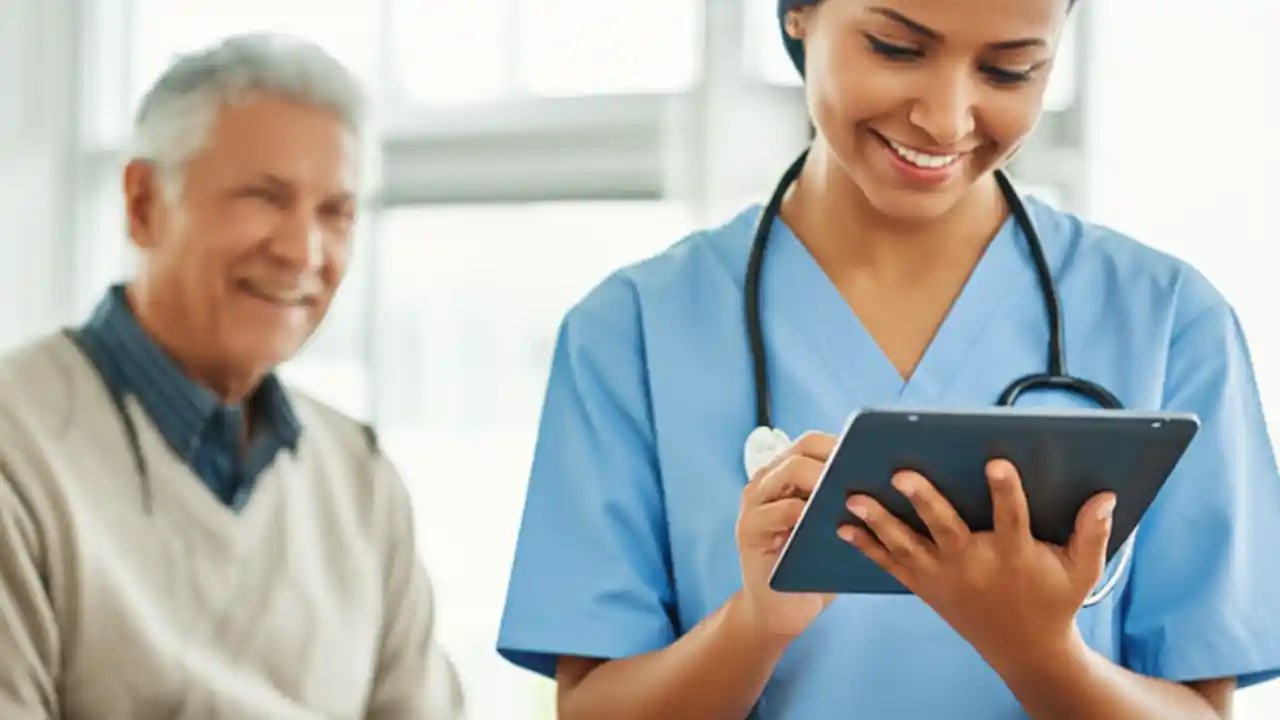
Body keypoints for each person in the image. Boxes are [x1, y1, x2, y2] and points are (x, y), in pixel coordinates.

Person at [496, 0, 1280, 717]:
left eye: (1010, 69)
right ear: (799, 13)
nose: (945, 119)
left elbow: (1200, 709)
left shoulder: (1170, 321)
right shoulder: (630, 331)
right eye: (896, 48)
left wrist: (1039, 650)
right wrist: (756, 625)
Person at [0, 34, 464, 719]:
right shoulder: (19, 445)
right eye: (265, 198)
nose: (303, 251)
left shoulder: (359, 478)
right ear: (143, 203)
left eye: (335, 213)